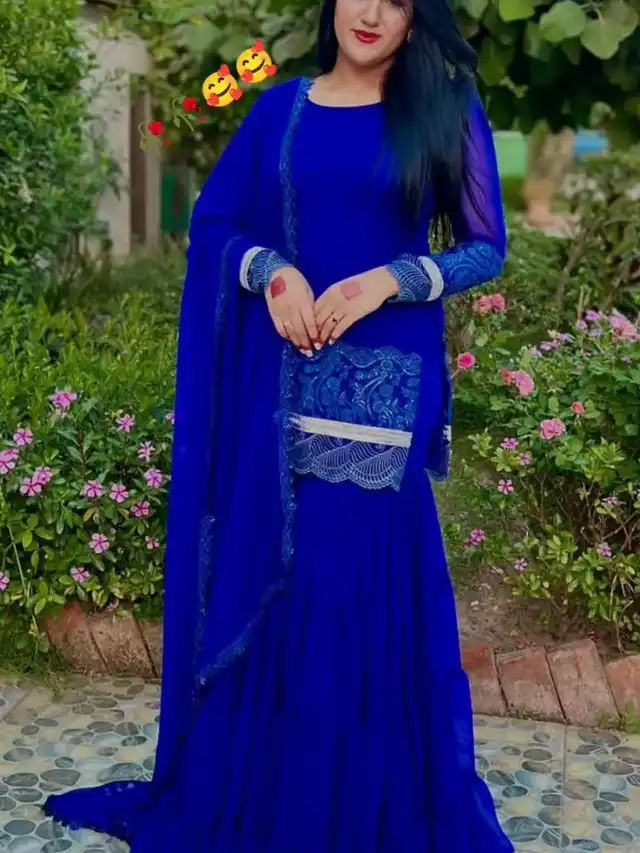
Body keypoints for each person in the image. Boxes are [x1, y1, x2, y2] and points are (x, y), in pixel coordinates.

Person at [44, 0, 513, 850]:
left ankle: (359, 810)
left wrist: (393, 279)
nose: (372, 12)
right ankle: (274, 802)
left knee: (351, 592)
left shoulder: (444, 108)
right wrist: (271, 273)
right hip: (283, 386)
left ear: (416, 18)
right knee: (282, 586)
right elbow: (216, 224)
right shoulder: (279, 110)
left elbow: (487, 246)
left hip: (379, 392)